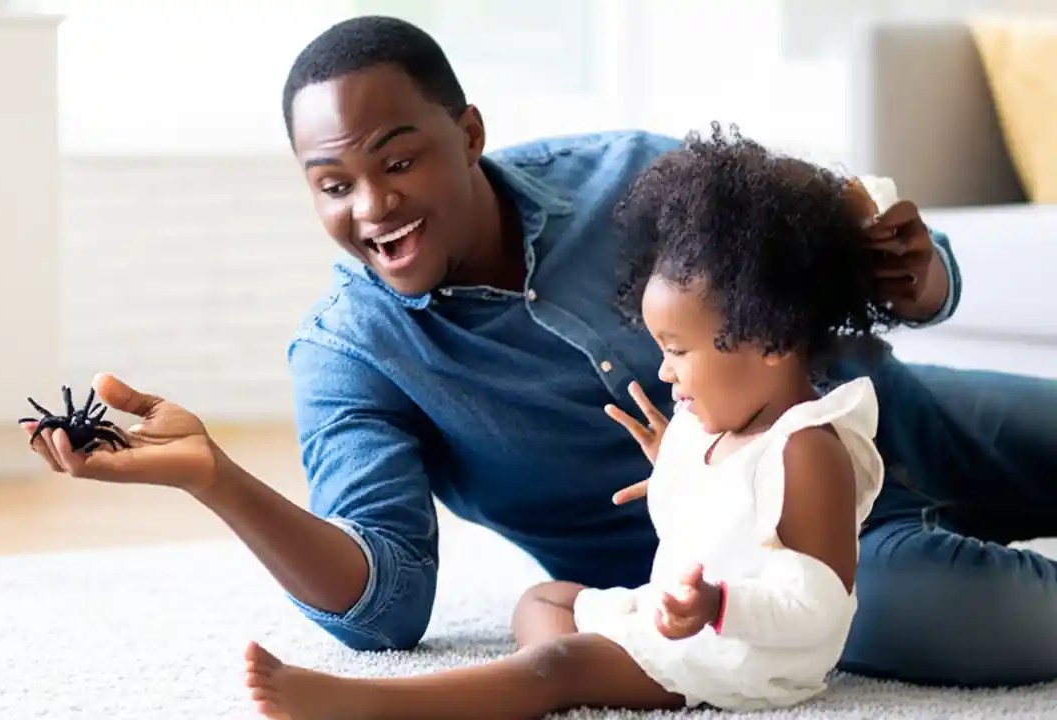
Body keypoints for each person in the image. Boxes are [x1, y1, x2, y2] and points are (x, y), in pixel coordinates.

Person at [19, 15, 1057, 688]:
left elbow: (872, 266)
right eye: (331, 184)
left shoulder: (628, 176)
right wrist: (216, 479)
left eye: (397, 160)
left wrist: (916, 274)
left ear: (467, 131)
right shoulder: (350, 353)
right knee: (1011, 630)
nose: (370, 207)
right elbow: (384, 603)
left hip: (896, 414)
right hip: (775, 565)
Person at [239, 123, 892, 720]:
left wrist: (717, 607)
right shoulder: (721, 425)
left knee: (560, 664)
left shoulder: (807, 449)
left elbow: (818, 608)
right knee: (542, 600)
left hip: (745, 656)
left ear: (773, 341)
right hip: (684, 621)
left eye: (678, 351)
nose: (664, 373)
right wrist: (678, 473)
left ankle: (371, 704)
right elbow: (699, 532)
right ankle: (584, 680)